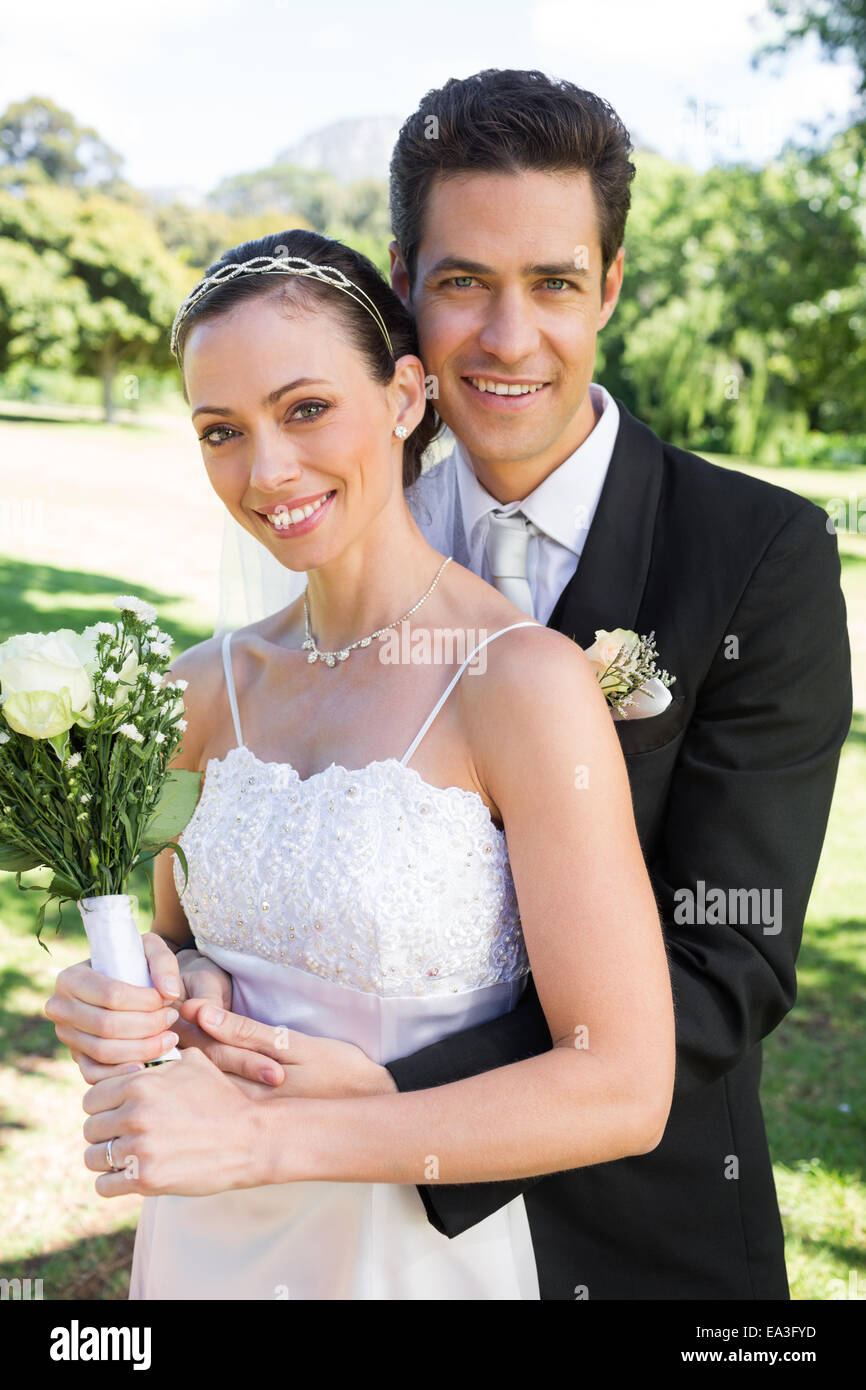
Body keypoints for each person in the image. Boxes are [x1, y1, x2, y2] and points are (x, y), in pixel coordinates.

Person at [49, 66, 852, 1301]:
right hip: (242, 1236)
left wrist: (377, 1102)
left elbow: (723, 959)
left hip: (619, 1229)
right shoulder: (294, 552)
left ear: (611, 288)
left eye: (553, 283)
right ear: (406, 291)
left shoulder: (756, 558)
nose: (507, 335)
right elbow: (181, 914)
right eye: (464, 281)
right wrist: (167, 989)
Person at [46, 227, 674, 1300]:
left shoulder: (518, 681)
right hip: (206, 1247)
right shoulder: (197, 690)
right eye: (219, 431)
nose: (266, 470)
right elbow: (175, 947)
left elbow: (619, 1085)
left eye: (303, 409)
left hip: (409, 1258)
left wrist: (267, 1141)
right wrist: (137, 994)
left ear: (402, 395)